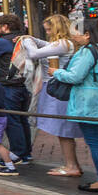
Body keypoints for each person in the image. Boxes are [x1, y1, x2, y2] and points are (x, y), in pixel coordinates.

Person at [52, 22, 98, 194]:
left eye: (76, 33)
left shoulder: (88, 51)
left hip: (87, 100)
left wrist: (56, 72)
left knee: (95, 140)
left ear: (88, 34)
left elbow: (75, 76)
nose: (74, 37)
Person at [20, 15, 82, 177]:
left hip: (57, 89)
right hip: (58, 88)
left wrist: (26, 40)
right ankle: (71, 164)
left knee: (63, 130)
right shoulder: (66, 43)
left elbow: (34, 53)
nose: (47, 33)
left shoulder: (62, 44)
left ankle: (72, 165)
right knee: (63, 129)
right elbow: (44, 45)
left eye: (49, 29)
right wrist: (31, 37)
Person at [0, 14, 32, 165]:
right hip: (24, 83)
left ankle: (17, 153)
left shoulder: (2, 42)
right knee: (22, 119)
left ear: (5, 26)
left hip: (8, 86)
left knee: (12, 120)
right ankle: (26, 153)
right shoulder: (24, 38)